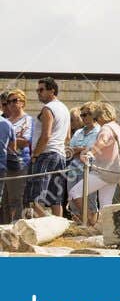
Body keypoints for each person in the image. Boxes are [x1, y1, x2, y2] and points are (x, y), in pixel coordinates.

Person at [29, 77, 71, 218]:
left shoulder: (48, 108)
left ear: (52, 90)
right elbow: (67, 137)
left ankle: (42, 226)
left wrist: (35, 155)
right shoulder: (65, 109)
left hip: (46, 154)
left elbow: (46, 136)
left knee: (37, 196)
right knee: (56, 198)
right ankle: (57, 228)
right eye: (37, 90)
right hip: (60, 155)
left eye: (41, 90)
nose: (38, 93)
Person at [86, 102, 120, 219]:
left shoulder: (106, 128)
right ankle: (104, 228)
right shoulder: (118, 128)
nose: (96, 121)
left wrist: (89, 153)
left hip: (102, 171)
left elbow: (102, 142)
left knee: (74, 193)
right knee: (105, 204)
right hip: (115, 171)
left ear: (102, 116)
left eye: (96, 118)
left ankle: (88, 222)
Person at [2, 89, 33, 223]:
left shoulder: (28, 120)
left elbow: (26, 140)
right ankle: (5, 230)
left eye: (15, 100)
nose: (11, 104)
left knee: (17, 198)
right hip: (4, 163)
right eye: (9, 102)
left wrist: (6, 140)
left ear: (23, 102)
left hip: (19, 162)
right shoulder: (5, 121)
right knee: (5, 200)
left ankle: (20, 228)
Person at [65, 104, 99, 223]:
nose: (82, 118)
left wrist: (78, 150)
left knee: (89, 198)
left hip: (89, 168)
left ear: (93, 115)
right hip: (74, 168)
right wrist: (81, 149)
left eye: (85, 115)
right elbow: (68, 151)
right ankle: (80, 224)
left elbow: (93, 150)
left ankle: (91, 224)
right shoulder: (78, 132)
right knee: (72, 197)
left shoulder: (99, 131)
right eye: (81, 115)